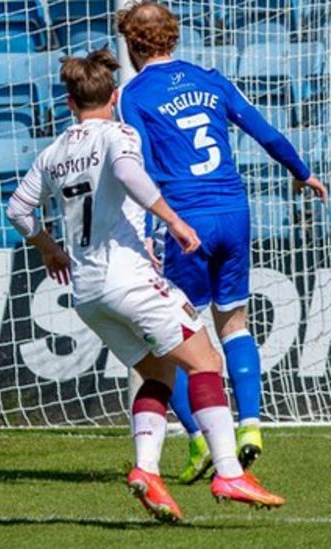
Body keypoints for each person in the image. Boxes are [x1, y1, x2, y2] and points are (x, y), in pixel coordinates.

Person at [6, 49, 285, 523]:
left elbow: (16, 209)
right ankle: (228, 470)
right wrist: (173, 221)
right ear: (114, 97)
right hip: (129, 279)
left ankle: (147, 472)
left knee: (157, 373)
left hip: (88, 292)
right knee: (206, 361)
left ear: (70, 103)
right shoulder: (120, 133)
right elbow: (128, 173)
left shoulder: (53, 153)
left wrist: (48, 249)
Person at [116, 0, 328, 482]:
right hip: (234, 211)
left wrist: (151, 231)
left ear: (130, 44)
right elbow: (265, 132)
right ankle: (251, 425)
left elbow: (143, 167)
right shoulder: (211, 78)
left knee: (180, 339)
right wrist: (303, 172)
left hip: (185, 220)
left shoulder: (132, 95)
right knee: (234, 322)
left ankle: (201, 439)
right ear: (174, 35)